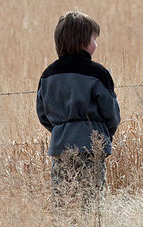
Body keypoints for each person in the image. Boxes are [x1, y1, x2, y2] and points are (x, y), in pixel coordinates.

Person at [36, 11, 121, 203]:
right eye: (94, 38)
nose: (96, 43)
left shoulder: (48, 74)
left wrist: (61, 130)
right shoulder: (98, 73)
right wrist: (104, 134)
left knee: (63, 200)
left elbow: (42, 114)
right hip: (91, 145)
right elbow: (111, 113)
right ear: (84, 42)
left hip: (60, 147)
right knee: (91, 201)